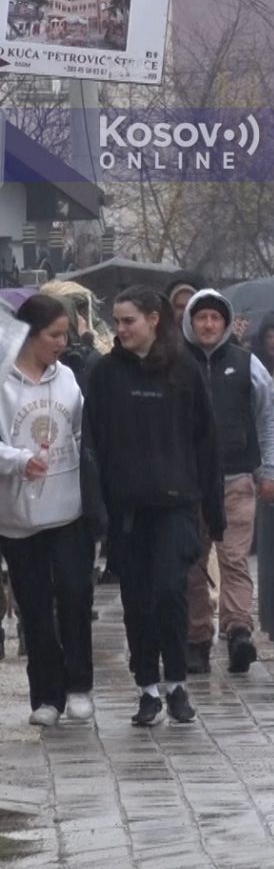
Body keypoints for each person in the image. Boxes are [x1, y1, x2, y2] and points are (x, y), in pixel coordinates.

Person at [86, 286, 225, 726]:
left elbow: (207, 442)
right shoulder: (106, 374)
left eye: (128, 321)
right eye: (118, 321)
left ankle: (177, 683)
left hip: (176, 504)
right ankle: (147, 687)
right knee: (138, 602)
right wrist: (98, 508)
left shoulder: (184, 371)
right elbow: (94, 442)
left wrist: (213, 510)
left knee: (170, 591)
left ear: (153, 320)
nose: (121, 329)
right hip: (127, 509)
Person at [0, 296, 101, 726]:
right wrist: (19, 460)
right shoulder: (3, 383)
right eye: (54, 335)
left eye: (66, 334)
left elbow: (82, 431)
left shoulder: (69, 379)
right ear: (30, 334)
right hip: (18, 515)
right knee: (35, 606)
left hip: (69, 509)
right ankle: (46, 695)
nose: (63, 343)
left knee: (76, 596)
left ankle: (79, 684)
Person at [179, 288, 274, 675]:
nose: (208, 325)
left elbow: (268, 417)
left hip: (236, 476)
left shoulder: (246, 364)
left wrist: (270, 471)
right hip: (187, 483)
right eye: (201, 317)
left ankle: (239, 630)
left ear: (225, 323)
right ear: (190, 322)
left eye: (215, 318)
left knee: (235, 559)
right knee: (191, 562)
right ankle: (197, 638)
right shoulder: (175, 363)